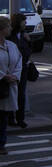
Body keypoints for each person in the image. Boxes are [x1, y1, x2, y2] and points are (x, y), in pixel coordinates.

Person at [0, 16, 22, 157]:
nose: (11, 29)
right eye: (8, 26)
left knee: (3, 117)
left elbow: (19, 61)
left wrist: (15, 76)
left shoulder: (11, 45)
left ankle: (1, 144)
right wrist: (3, 76)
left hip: (8, 86)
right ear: (2, 30)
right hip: (1, 83)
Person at [9, 13, 31, 129]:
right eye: (24, 21)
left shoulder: (23, 35)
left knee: (21, 94)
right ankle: (10, 118)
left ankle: (20, 118)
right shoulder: (10, 35)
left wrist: (28, 41)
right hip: (12, 69)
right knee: (11, 93)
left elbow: (27, 50)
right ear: (18, 22)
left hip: (23, 68)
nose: (25, 23)